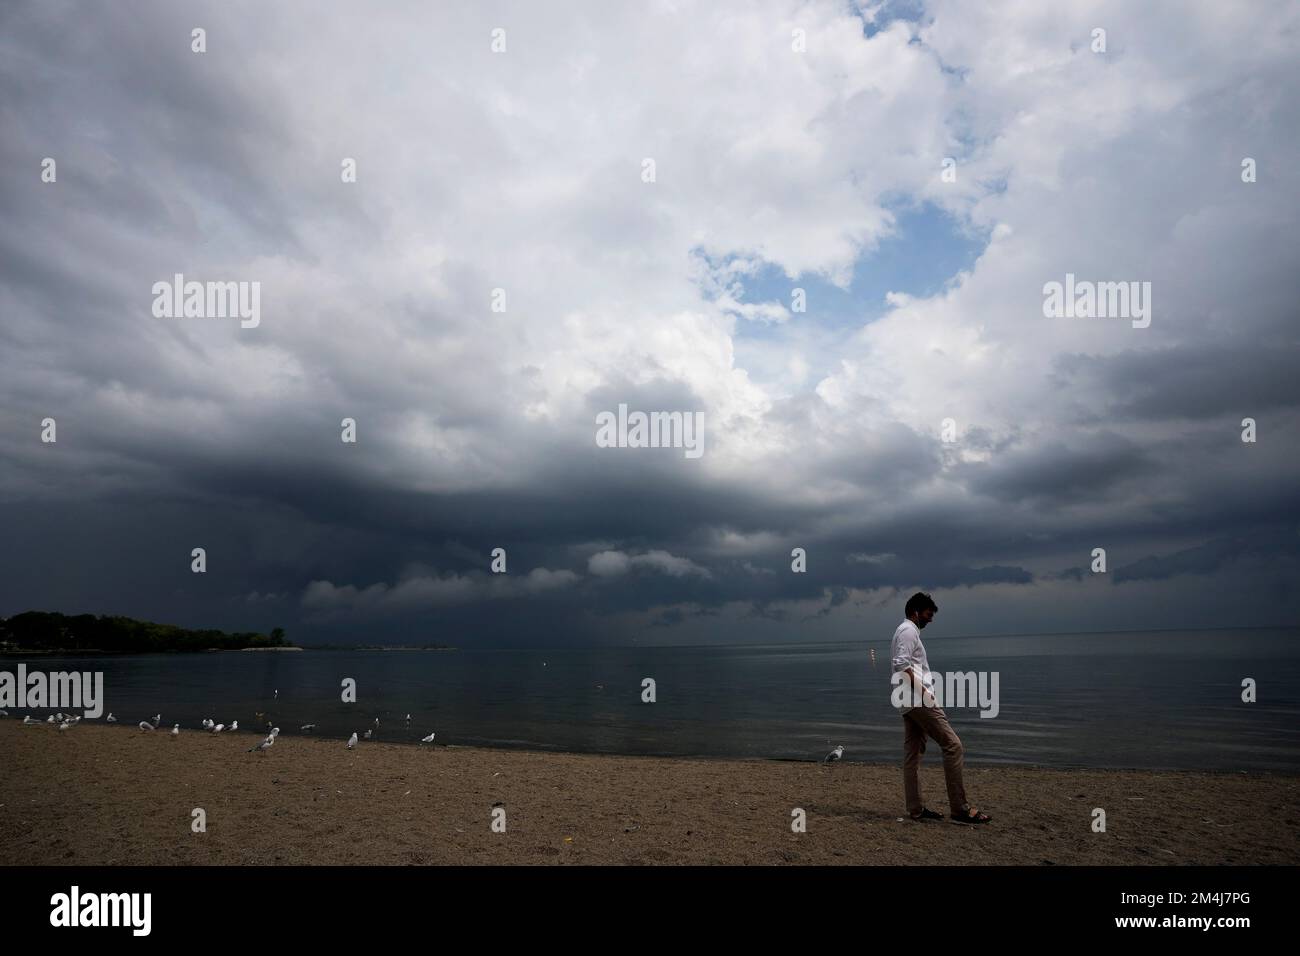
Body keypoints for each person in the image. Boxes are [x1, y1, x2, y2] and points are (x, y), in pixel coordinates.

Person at [890, 591, 990, 824]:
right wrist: (925, 693)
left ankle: (916, 810)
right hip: (917, 700)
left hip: (907, 701)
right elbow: (901, 665)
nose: (930, 619)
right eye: (928, 614)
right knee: (953, 746)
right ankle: (960, 809)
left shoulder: (905, 631)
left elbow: (904, 665)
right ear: (915, 612)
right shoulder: (907, 631)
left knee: (912, 756)